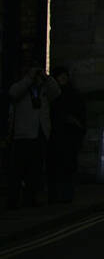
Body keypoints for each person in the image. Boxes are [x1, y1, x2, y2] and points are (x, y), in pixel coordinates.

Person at [7, 66, 60, 207]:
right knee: (17, 170)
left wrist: (46, 77)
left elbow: (56, 92)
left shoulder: (43, 89)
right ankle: (12, 200)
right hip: (22, 134)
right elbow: (13, 93)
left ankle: (29, 199)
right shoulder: (20, 86)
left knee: (34, 171)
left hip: (39, 134)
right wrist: (28, 78)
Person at [46, 66, 86, 203]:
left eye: (65, 76)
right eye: (60, 76)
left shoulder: (74, 95)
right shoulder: (52, 96)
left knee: (68, 167)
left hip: (70, 137)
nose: (63, 78)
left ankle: (67, 195)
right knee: (55, 167)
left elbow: (81, 115)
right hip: (56, 136)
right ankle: (54, 195)